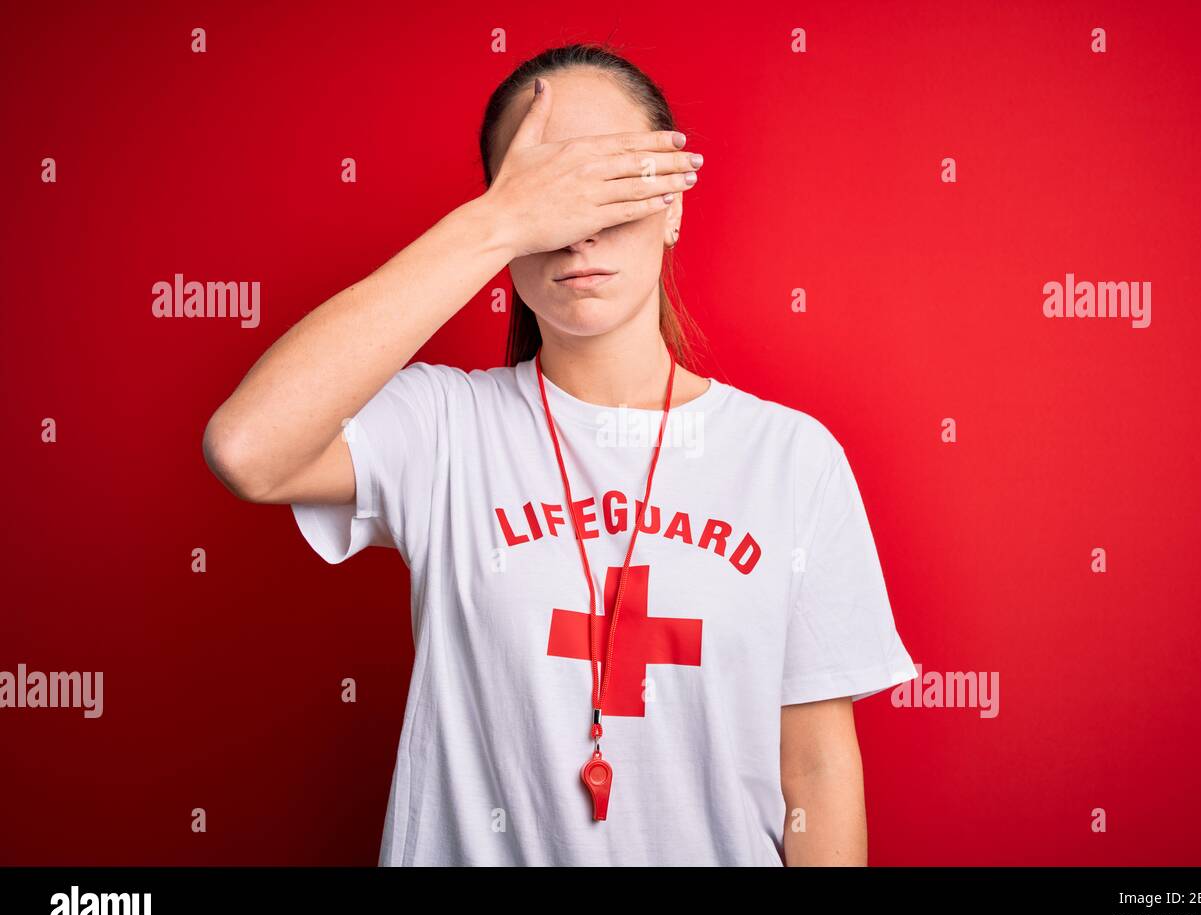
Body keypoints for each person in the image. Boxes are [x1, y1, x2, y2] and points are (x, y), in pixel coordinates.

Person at [202, 42, 918, 866]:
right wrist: (498, 222)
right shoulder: (443, 427)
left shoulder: (791, 458)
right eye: (547, 189)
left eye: (611, 182)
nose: (578, 228)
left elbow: (818, 768)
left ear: (675, 202)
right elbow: (247, 447)